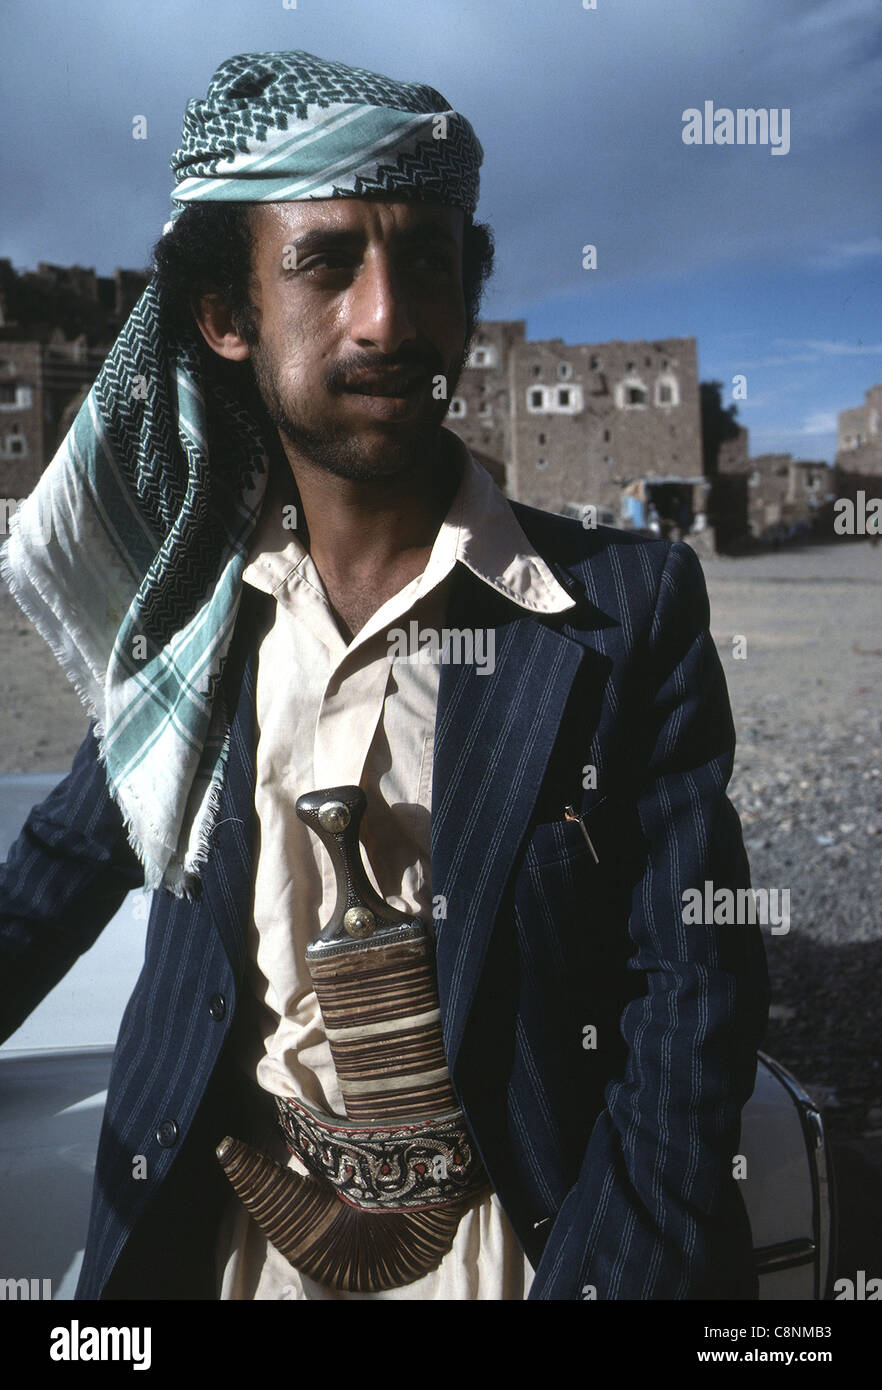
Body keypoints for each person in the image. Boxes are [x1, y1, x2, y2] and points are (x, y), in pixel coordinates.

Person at [0, 49, 768, 1301]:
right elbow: (50, 886)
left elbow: (690, 999)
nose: (388, 317)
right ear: (226, 316)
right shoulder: (190, 628)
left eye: (427, 261)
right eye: (327, 260)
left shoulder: (621, 615)